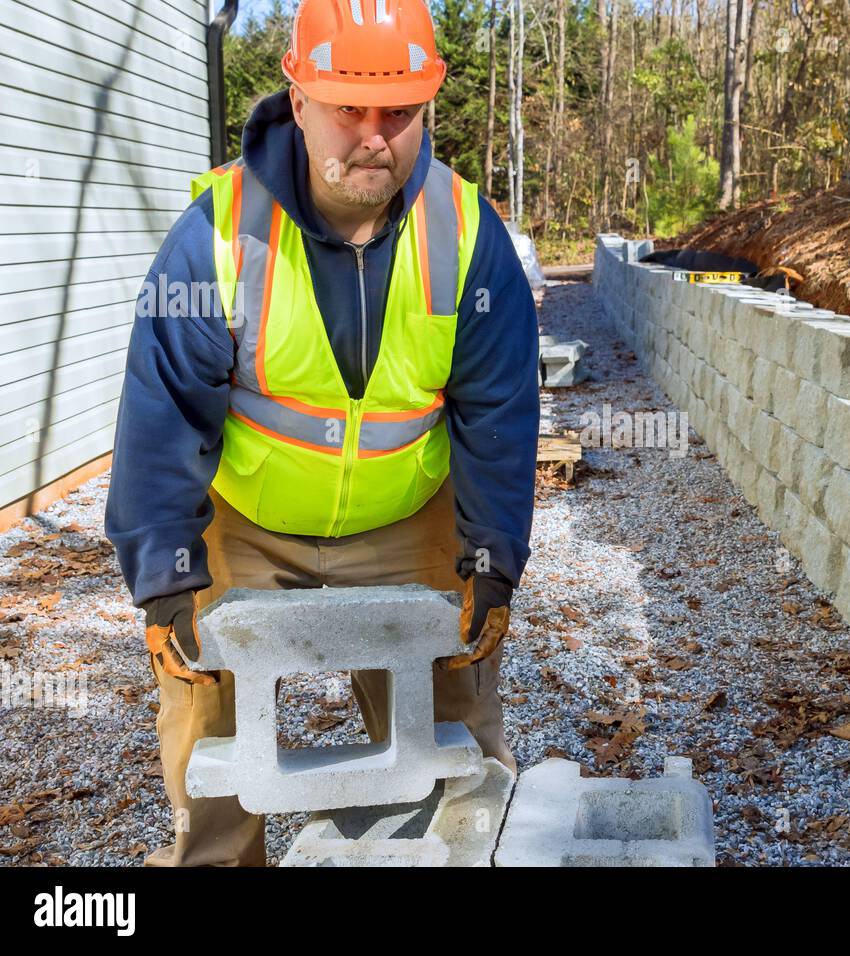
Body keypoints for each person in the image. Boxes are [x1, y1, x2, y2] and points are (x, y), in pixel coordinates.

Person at [105, 0, 539, 866]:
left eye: (399, 113)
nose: (373, 135)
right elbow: (164, 410)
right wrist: (163, 575)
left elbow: (497, 409)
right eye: (348, 108)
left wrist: (493, 554)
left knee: (458, 731)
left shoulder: (465, 232)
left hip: (408, 517)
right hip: (247, 522)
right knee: (207, 721)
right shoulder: (217, 237)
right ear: (297, 99)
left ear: (427, 109)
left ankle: (457, 852)